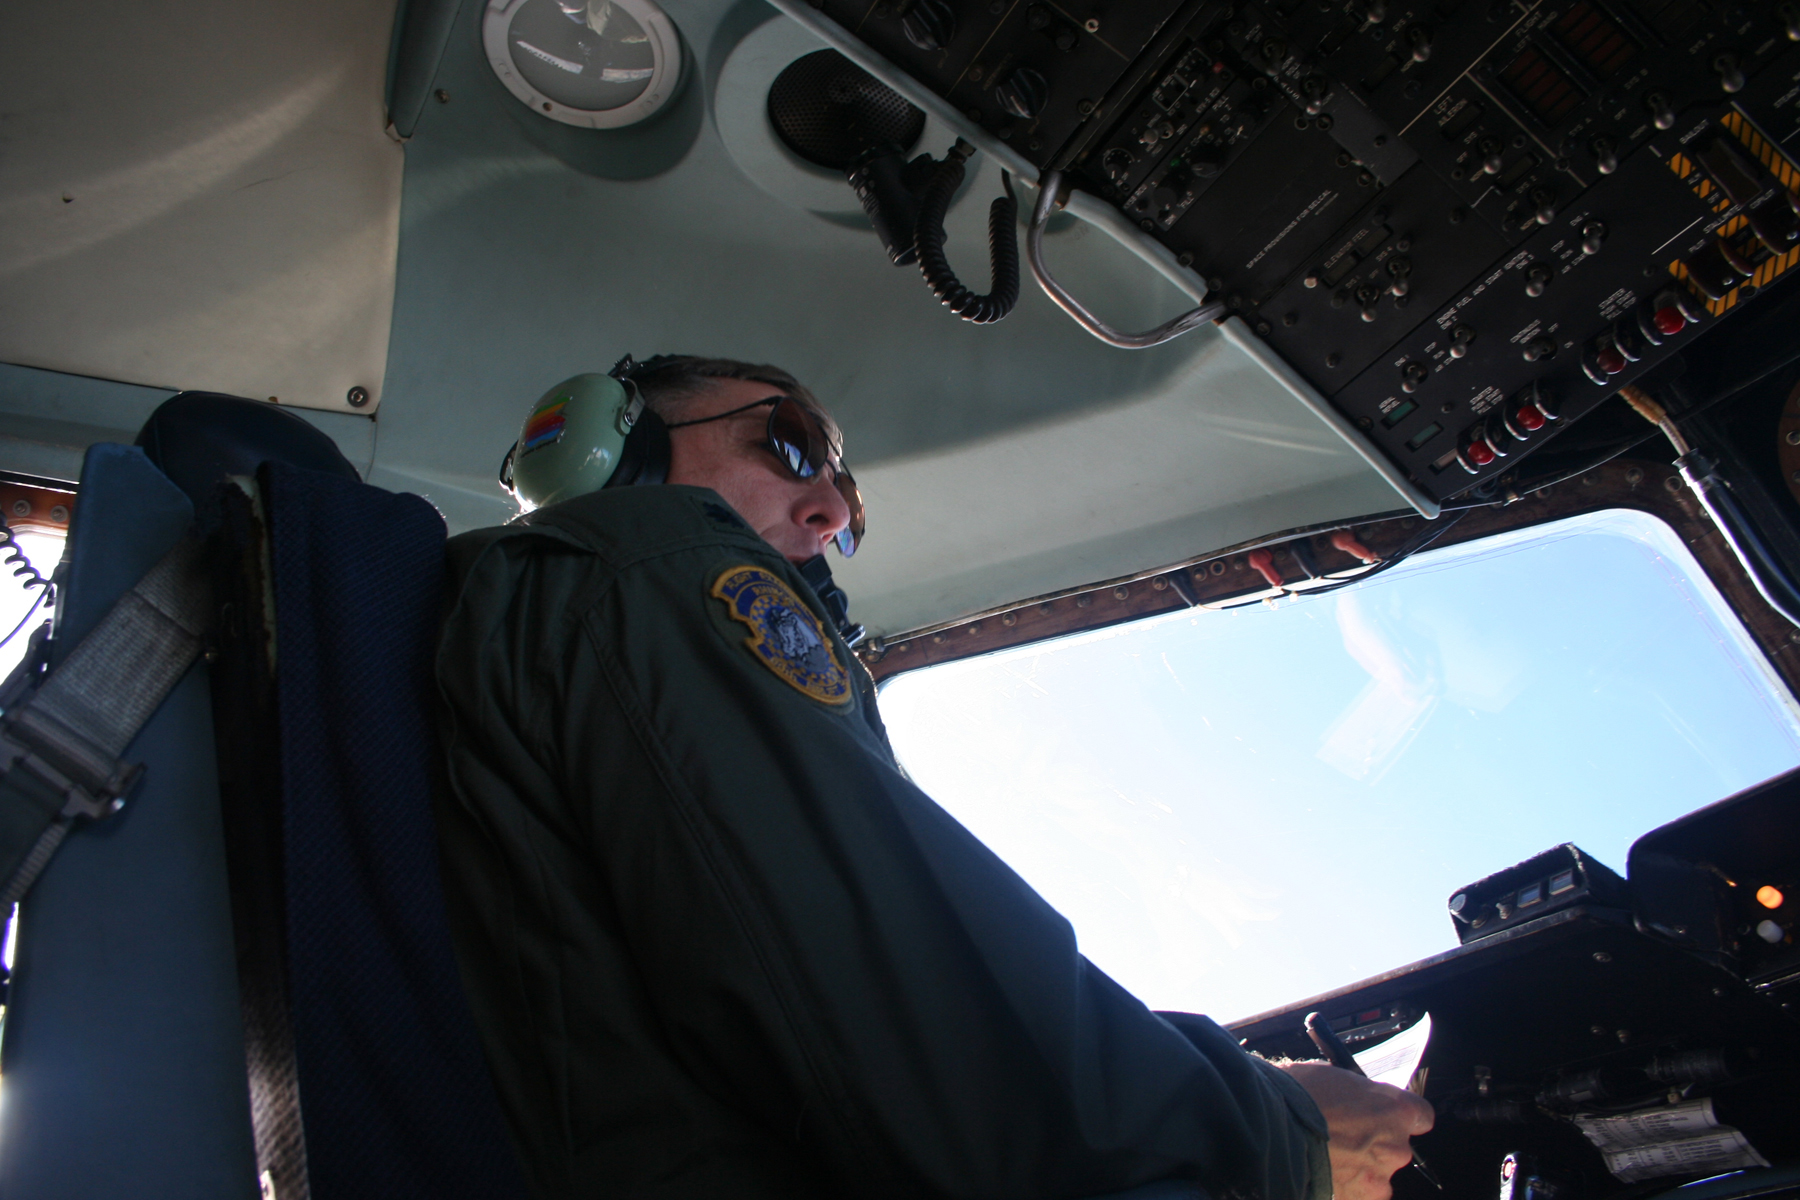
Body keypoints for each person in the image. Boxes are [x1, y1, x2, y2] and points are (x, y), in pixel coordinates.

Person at [432, 355, 1433, 1200]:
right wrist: (1281, 1131)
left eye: (849, 507)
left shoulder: (567, 623)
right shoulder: (648, 565)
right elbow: (915, 1037)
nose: (828, 513)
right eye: (783, 445)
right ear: (606, 445)